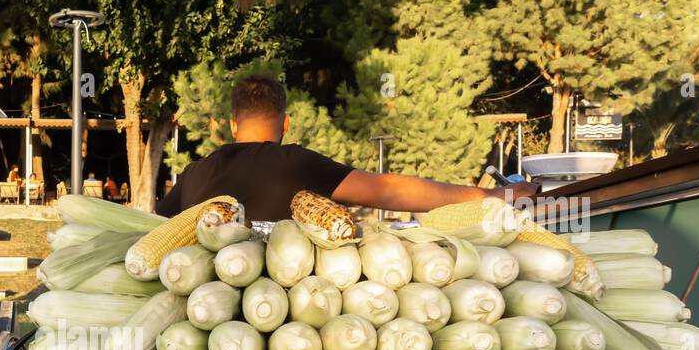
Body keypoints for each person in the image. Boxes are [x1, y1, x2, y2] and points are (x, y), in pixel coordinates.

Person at [158, 74, 540, 223]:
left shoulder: (193, 175)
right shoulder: (293, 162)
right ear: (286, 123)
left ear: (231, 124)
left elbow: (155, 228)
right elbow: (388, 191)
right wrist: (491, 195)